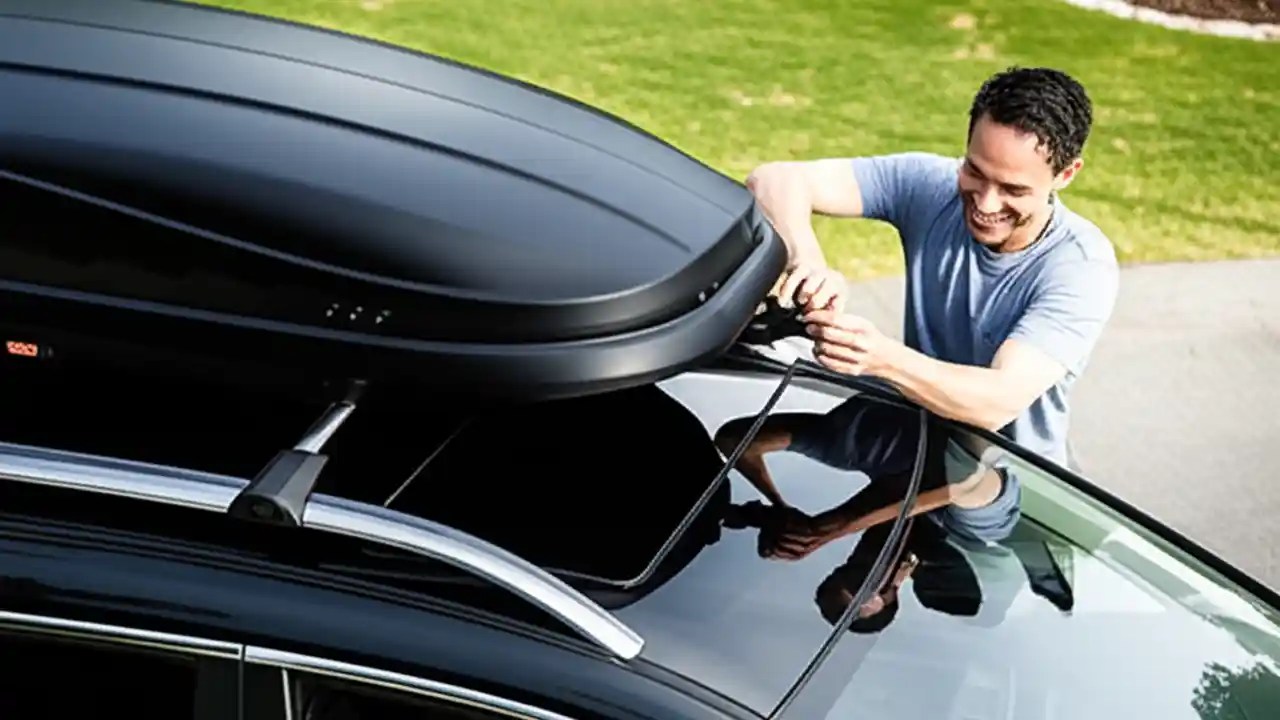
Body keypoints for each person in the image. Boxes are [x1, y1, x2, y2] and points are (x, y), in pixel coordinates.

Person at [745, 66, 1119, 467]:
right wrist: (810, 264)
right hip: (913, 449)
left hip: (1012, 488)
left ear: (1066, 174)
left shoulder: (1080, 268)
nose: (986, 203)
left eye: (1013, 189)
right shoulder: (931, 185)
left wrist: (882, 358)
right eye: (975, 170)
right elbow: (773, 180)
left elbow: (997, 403)